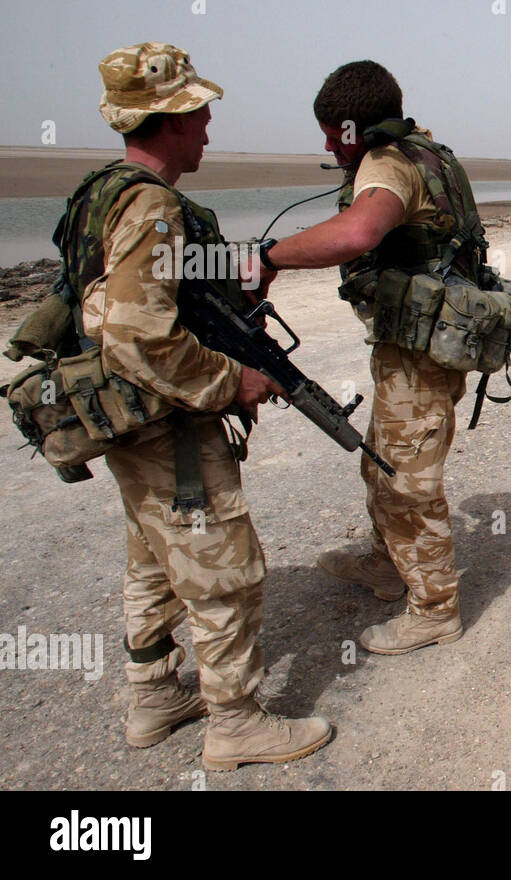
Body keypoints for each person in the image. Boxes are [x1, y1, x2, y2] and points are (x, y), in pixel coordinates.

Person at [83, 42, 330, 769]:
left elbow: (137, 302)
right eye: (200, 115)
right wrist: (235, 381)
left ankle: (155, 694)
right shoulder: (153, 206)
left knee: (153, 557)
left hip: (127, 418)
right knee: (221, 563)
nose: (209, 131)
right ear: (170, 119)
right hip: (167, 420)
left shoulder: (103, 191)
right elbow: (144, 336)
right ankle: (235, 723)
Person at [260, 60, 482, 653]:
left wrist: (267, 259)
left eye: (337, 132)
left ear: (360, 127)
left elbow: (360, 232)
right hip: (422, 342)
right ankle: (389, 565)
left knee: (407, 479)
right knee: (382, 460)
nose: (331, 145)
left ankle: (435, 608)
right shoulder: (426, 151)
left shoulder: (387, 163)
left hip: (421, 353)